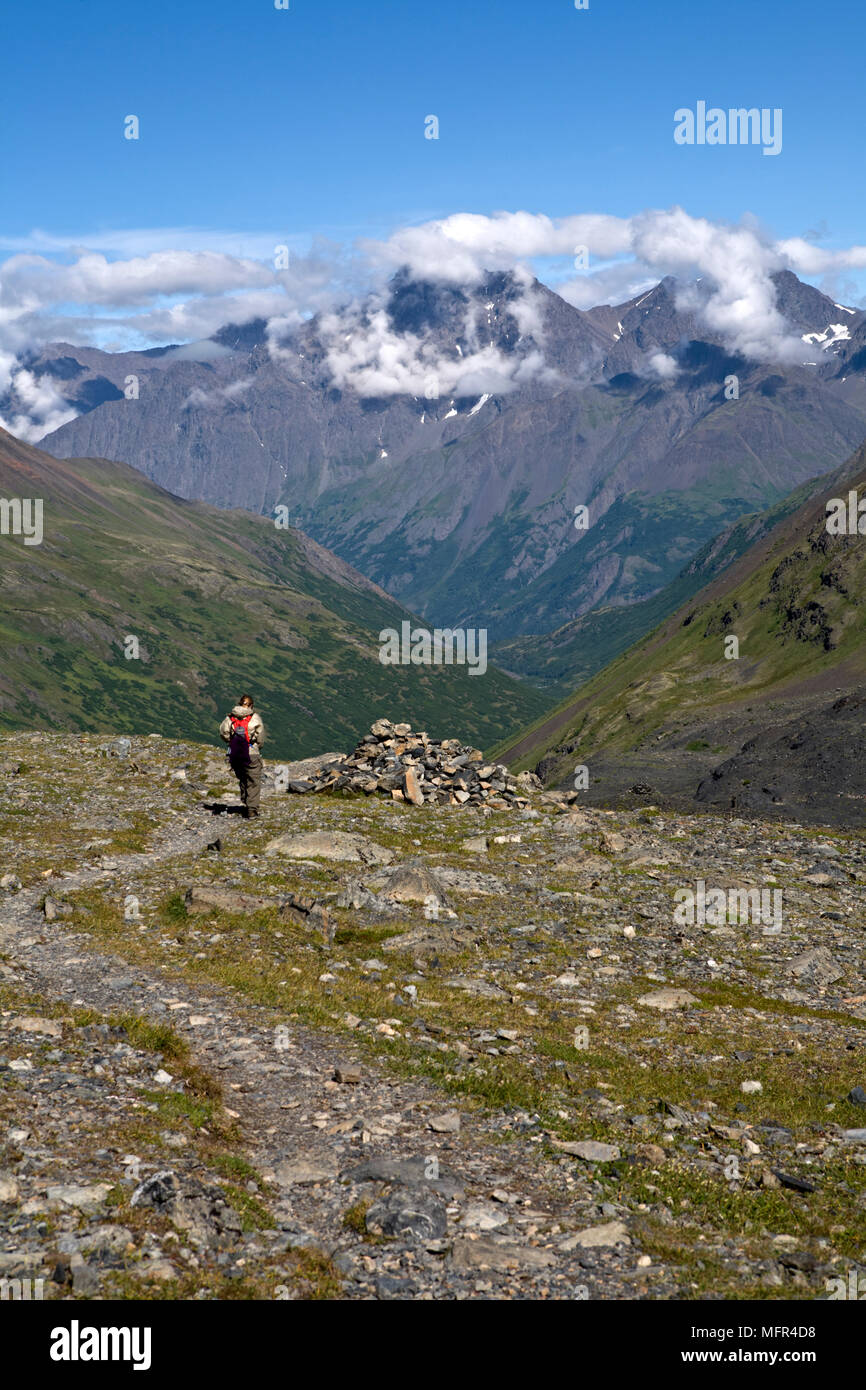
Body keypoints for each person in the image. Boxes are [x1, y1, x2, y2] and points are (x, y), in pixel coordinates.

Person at [219, 694, 266, 818]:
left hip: (235, 753)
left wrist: (232, 742)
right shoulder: (255, 718)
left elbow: (223, 733)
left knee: (243, 778)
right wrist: (256, 746)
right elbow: (260, 737)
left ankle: (245, 801)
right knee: (253, 781)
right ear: (251, 705)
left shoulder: (230, 717)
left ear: (240, 704)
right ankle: (252, 809)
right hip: (251, 752)